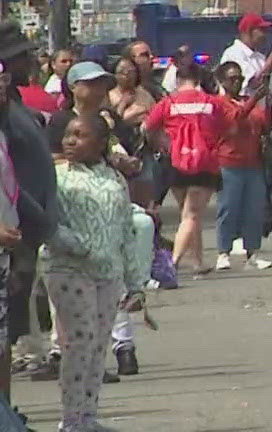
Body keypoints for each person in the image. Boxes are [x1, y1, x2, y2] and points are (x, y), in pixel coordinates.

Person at [44, 114, 143, 432]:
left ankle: (88, 416)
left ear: (101, 144)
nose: (70, 141)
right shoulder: (56, 177)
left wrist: (135, 282)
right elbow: (46, 223)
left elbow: (128, 230)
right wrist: (77, 244)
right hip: (70, 270)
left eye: (80, 135)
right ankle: (70, 420)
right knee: (79, 342)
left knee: (99, 345)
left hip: (108, 274)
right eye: (68, 135)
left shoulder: (116, 179)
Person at [0, 21, 56, 417]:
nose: (30, 61)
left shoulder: (17, 105)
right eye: (21, 57)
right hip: (12, 231)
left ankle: (7, 410)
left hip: (27, 230)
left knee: (9, 330)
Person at [141, 59, 228, 276]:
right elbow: (225, 127)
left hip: (176, 162)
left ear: (178, 80)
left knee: (187, 214)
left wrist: (164, 142)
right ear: (198, 80)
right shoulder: (211, 102)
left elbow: (147, 127)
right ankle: (174, 263)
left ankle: (197, 261)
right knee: (192, 214)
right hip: (204, 162)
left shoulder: (168, 102)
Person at [213, 60, 272, 272]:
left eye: (239, 78)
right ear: (222, 81)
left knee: (253, 210)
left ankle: (252, 252)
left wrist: (267, 103)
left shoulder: (249, 101)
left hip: (253, 163)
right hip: (229, 163)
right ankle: (223, 251)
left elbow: (264, 125)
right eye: (232, 79)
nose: (237, 82)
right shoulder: (219, 103)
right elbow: (234, 121)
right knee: (229, 208)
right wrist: (255, 100)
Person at [220, 14, 272, 98]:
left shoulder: (259, 57)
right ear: (249, 31)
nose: (265, 35)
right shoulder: (234, 53)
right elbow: (255, 83)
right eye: (262, 30)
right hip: (246, 109)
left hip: (264, 110)